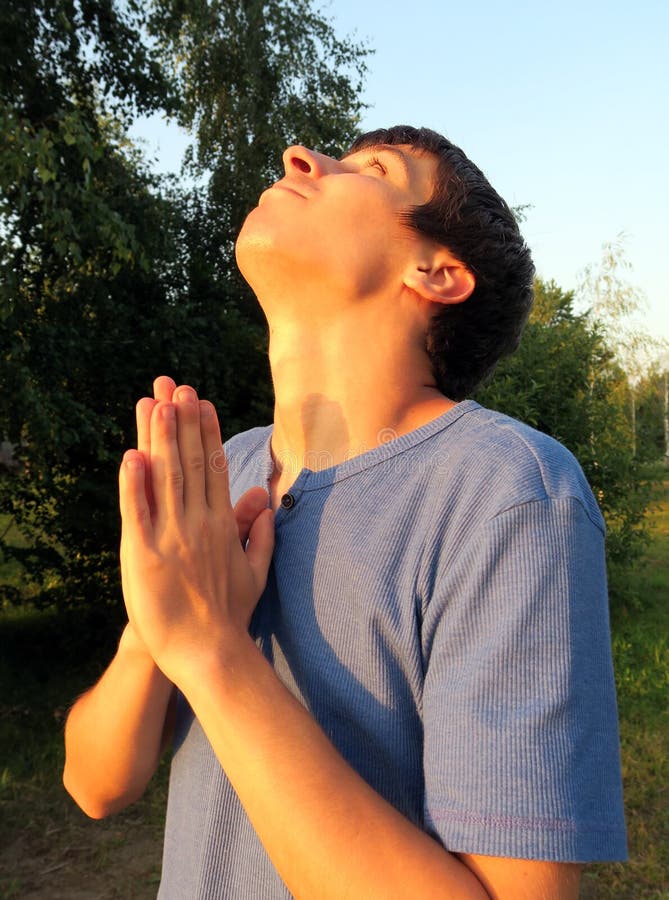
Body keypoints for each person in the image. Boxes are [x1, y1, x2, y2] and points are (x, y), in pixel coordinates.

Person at [63, 125, 627, 898]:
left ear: (437, 273)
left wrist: (211, 652)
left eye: (372, 169)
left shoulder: (509, 494)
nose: (302, 157)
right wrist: (153, 628)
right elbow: (95, 785)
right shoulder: (224, 470)